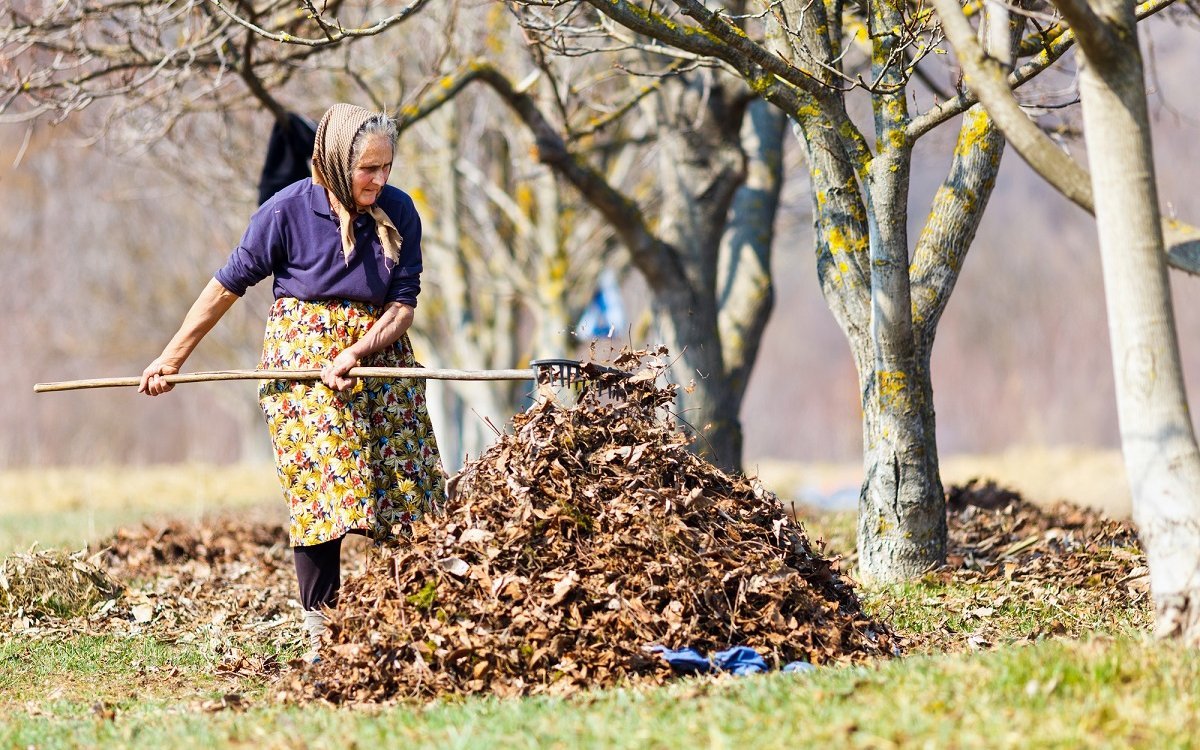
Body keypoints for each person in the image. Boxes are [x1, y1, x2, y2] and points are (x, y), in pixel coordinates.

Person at [139, 103, 447, 659]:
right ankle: (321, 632)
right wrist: (171, 358)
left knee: (410, 490)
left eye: (386, 167)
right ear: (333, 161)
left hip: (379, 353)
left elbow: (403, 305)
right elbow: (225, 287)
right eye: (368, 169)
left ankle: (412, 620)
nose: (380, 180)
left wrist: (358, 349)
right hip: (303, 363)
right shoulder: (284, 212)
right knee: (324, 490)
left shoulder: (400, 211)